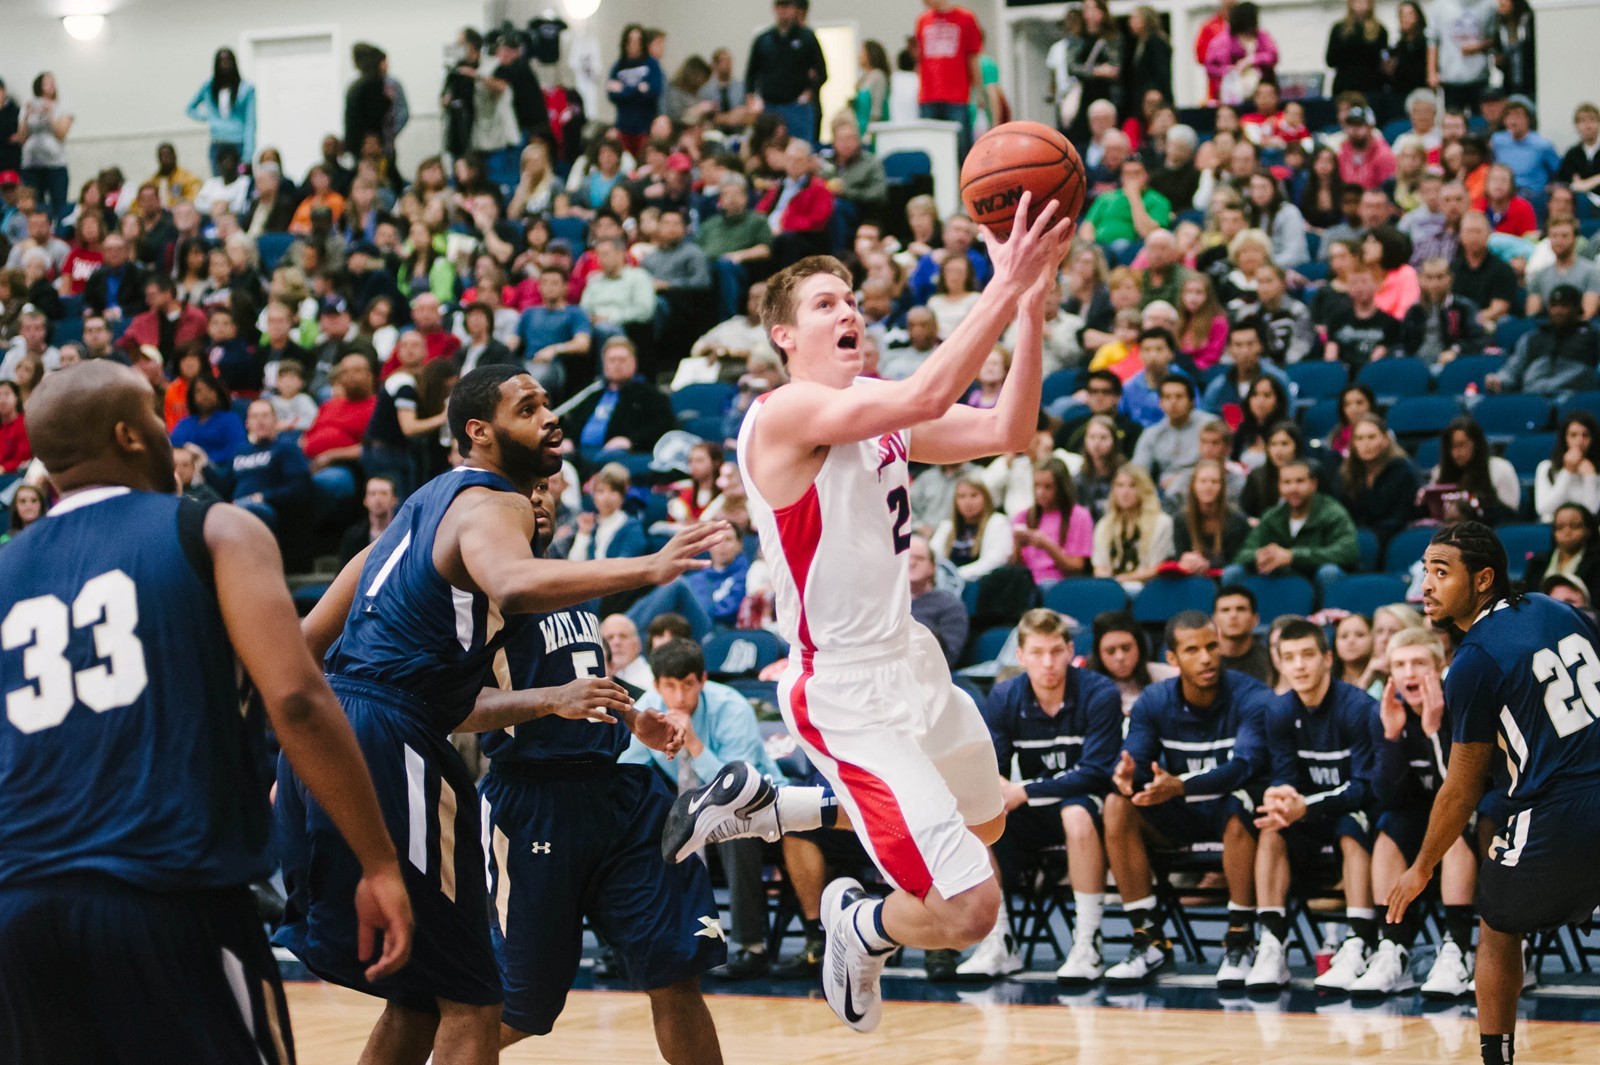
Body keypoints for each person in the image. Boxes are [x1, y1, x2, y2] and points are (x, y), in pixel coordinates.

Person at [660, 198, 1074, 1033]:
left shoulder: (882, 408)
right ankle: (861, 925)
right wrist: (1004, 279)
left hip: (910, 659)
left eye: (852, 299)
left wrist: (1029, 308)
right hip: (844, 690)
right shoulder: (782, 414)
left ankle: (783, 807)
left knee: (990, 814)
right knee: (970, 909)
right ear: (784, 336)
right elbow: (931, 389)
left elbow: (1011, 428)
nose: (849, 310)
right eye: (826, 303)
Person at [275, 365, 725, 1065]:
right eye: (528, 407)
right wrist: (649, 566)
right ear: (480, 435)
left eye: (548, 404)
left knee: (432, 993)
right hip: (465, 767)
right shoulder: (490, 509)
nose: (549, 418)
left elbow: (303, 645)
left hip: (392, 736)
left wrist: (300, 750)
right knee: (482, 997)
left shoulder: (414, 523)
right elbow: (510, 589)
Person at [0, 360, 411, 1063]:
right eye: (156, 415)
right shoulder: (216, 528)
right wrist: (378, 861)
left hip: (20, 914)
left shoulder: (6, 570)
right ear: (129, 435)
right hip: (169, 893)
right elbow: (297, 700)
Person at [480, 482, 722, 1057]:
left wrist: (633, 717)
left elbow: (584, 676)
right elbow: (448, 705)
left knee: (676, 971)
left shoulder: (572, 578)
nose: (537, 499)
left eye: (544, 487)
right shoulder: (473, 590)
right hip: (532, 804)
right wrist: (550, 701)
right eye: (522, 489)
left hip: (616, 793)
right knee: (525, 1005)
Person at [1389, 523, 1600, 1065]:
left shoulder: (1473, 660)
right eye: (1426, 570)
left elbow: (1462, 787)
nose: (1426, 585)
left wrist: (1422, 867)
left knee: (1499, 924)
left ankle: (1496, 1058)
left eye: (1441, 572)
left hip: (1558, 810)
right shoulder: (1555, 608)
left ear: (1483, 579)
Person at [1103, 611, 1274, 986]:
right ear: (1172, 658)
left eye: (1212, 646)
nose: (1207, 658)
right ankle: (1148, 939)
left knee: (1241, 804)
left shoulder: (1252, 696)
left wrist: (1180, 785)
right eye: (1193, 650)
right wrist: (1127, 775)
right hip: (1181, 814)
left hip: (1235, 813)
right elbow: (1136, 759)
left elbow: (1244, 766)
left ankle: (1240, 939)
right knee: (1117, 805)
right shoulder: (1154, 700)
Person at [962, 609, 1123, 982]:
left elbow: (1095, 773)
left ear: (1070, 651)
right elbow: (995, 767)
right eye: (1037, 653)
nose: (1047, 663)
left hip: (1087, 803)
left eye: (1055, 651)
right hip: (1032, 808)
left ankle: (1088, 944)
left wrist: (1024, 790)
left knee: (1076, 815)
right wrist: (998, 788)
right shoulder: (1004, 695)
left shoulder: (1100, 693)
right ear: (1020, 656)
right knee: (979, 818)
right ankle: (999, 942)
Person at [1246, 618, 1380, 992]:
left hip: (1357, 808)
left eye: (1307, 655)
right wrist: (1278, 794)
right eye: (1289, 658)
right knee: (1271, 826)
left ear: (1327, 659)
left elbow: (1365, 786)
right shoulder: (1279, 711)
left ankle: (1360, 940)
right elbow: (1284, 773)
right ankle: (1272, 943)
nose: (1299, 666)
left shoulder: (1358, 707)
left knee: (1351, 826)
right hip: (1309, 812)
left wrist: (1305, 804)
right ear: (1279, 663)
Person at [1351, 626, 1480, 995]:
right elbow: (1386, 795)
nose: (1409, 672)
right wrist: (1392, 738)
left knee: (1450, 827)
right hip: (1414, 813)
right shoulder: (1385, 713)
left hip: (1467, 812)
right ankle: (1393, 949)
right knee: (1388, 829)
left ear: (1440, 668)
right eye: (1400, 665)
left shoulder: (1462, 707)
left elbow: (1461, 790)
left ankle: (1457, 948)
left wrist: (1435, 731)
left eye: (1419, 663)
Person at [1224, 460, 1360, 595]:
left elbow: (1348, 551)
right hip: (1280, 578)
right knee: (1233, 572)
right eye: (1287, 482)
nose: (1293, 488)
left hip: (1316, 579)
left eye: (1300, 481)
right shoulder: (1272, 515)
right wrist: (1261, 555)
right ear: (1279, 486)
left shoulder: (1332, 512)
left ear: (1313, 484)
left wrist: (1292, 556)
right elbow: (1242, 554)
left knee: (1329, 572)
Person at [1488, 286, 1600, 397]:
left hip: (1573, 396)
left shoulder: (1592, 336)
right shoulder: (1533, 338)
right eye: (1554, 306)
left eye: (1564, 306)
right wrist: (1499, 380)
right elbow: (1512, 369)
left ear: (1576, 309)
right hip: (1533, 395)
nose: (1558, 311)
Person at [744, 0, 827, 145]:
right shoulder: (763, 40)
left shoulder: (807, 38)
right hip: (769, 106)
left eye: (789, 7)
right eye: (782, 7)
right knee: (768, 147)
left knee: (801, 148)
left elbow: (822, 72)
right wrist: (751, 98)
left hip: (797, 106)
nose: (785, 12)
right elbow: (751, 74)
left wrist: (810, 92)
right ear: (775, 9)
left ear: (794, 9)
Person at [228, 398, 311, 533]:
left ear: (275, 421)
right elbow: (224, 483)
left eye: (265, 416)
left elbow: (300, 488)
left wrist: (264, 496)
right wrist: (204, 465)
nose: (260, 421)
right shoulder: (240, 451)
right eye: (255, 417)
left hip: (269, 510)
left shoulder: (286, 448)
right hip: (236, 508)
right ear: (247, 424)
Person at [1341, 413, 1421, 546]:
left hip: (1396, 539)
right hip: (1358, 539)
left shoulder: (1403, 470)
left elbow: (1402, 517)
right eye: (1359, 438)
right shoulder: (1349, 472)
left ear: (1385, 439)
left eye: (1371, 437)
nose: (1365, 444)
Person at [1131, 375, 1217, 498]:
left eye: (1179, 397)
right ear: (1160, 403)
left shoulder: (1210, 426)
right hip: (1164, 495)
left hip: (1204, 488)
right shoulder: (1152, 433)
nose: (1173, 402)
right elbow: (1138, 472)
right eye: (1167, 397)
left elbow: (1219, 464)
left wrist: (1182, 479)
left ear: (1192, 402)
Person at [1013, 457, 1094, 586]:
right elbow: (1016, 565)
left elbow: (1077, 567)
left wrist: (1047, 545)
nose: (1040, 492)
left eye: (1048, 487)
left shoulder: (1079, 516)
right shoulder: (1023, 516)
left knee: (1046, 584)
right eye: (1037, 485)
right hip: (1027, 582)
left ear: (1061, 488)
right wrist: (1017, 545)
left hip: (1060, 584)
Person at [1092, 465, 1173, 593]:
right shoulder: (1104, 525)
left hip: (1147, 590)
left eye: (1132, 486)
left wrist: (1122, 579)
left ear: (1143, 489)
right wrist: (1113, 583)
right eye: (1120, 486)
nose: (1125, 492)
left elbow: (1157, 568)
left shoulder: (1162, 523)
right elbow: (1099, 567)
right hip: (1111, 590)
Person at [185, 49, 256, 176]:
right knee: (218, 181)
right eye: (221, 61)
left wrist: (248, 156)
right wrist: (209, 117)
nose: (224, 64)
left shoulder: (246, 89)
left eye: (228, 60)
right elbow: (190, 109)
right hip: (217, 144)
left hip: (238, 144)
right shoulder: (208, 87)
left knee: (241, 181)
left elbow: (251, 123)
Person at [931, 473, 1013, 582]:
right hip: (947, 583)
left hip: (981, 582)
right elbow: (932, 557)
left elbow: (995, 560)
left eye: (974, 496)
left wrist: (957, 575)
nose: (968, 502)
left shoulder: (998, 522)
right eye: (961, 497)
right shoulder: (947, 526)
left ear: (986, 498)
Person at [1176, 460, 1249, 575]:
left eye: (1214, 482)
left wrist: (1208, 564)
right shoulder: (1181, 519)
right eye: (1203, 481)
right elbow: (1179, 555)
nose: (1208, 487)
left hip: (1225, 577)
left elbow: (1236, 560)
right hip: (1191, 576)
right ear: (1193, 485)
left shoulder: (1237, 520)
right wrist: (1187, 560)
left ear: (1222, 486)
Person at [1522, 503, 1600, 596]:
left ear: (1588, 530)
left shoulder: (1596, 563)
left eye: (1574, 526)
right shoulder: (1538, 561)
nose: (1567, 532)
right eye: (1560, 527)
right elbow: (1526, 594)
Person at [1535, 412, 1600, 522]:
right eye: (1573, 435)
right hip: (1552, 526)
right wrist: (1568, 471)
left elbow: (1591, 512)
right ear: (1565, 438)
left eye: (1585, 435)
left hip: (1585, 528)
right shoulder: (1546, 467)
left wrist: (1590, 478)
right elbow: (1544, 509)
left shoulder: (1595, 471)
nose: (1579, 441)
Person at [1326, 0, 1389, 96]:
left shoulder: (1379, 30)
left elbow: (1382, 59)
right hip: (1345, 86)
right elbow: (1330, 60)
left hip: (1371, 86)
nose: (1360, 4)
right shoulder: (1339, 29)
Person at [1214, 584, 1274, 684]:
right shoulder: (1205, 661)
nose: (1233, 615)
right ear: (1214, 620)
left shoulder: (1270, 662)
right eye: (1225, 610)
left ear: (1255, 619)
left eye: (1241, 609)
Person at [339, 474, 398, 565]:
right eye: (372, 494)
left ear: (394, 500)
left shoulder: (404, 534)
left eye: (384, 493)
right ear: (365, 500)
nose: (378, 499)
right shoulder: (353, 536)